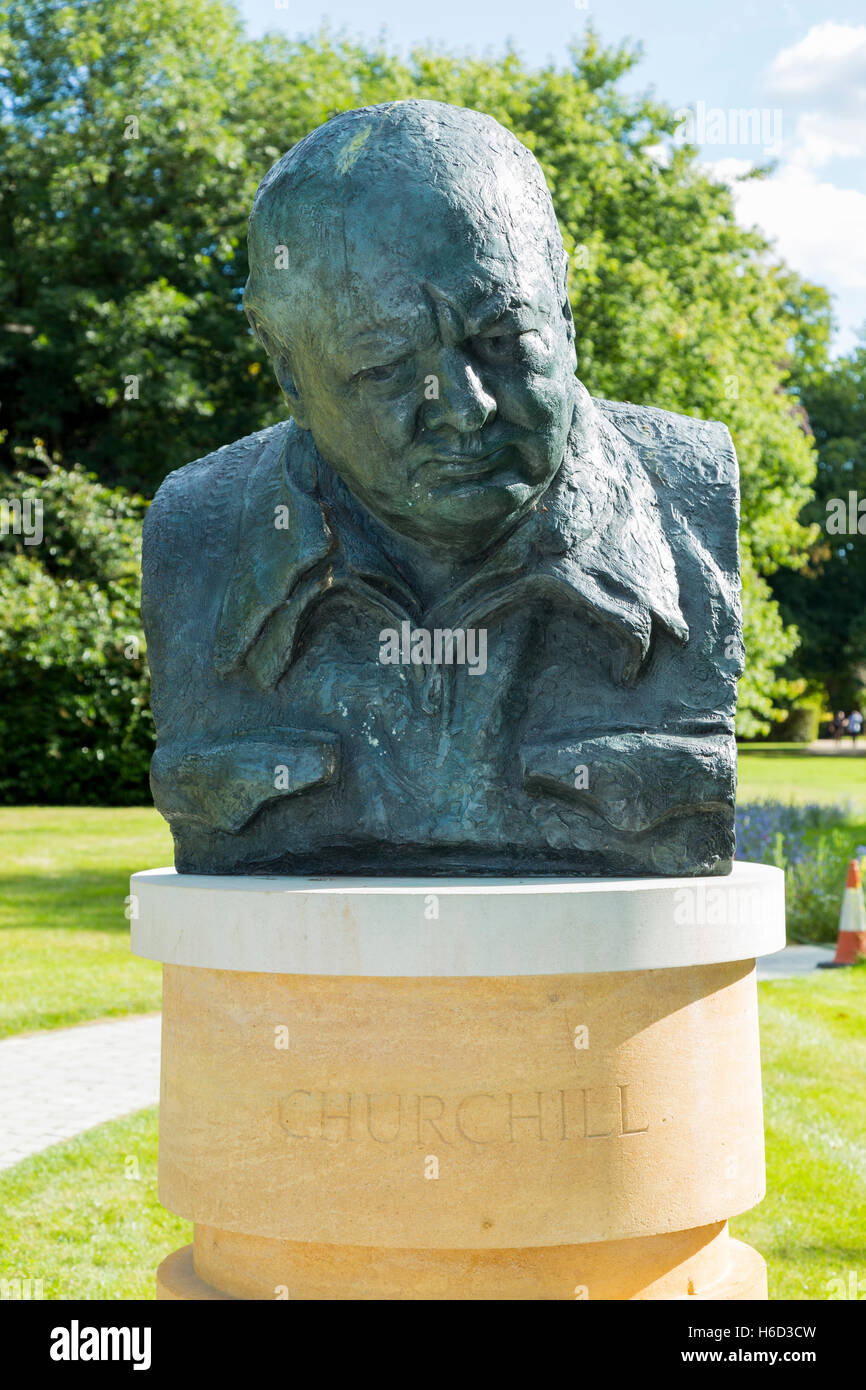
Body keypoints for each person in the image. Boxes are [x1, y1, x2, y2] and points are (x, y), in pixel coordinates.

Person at [142, 100, 742, 878]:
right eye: (386, 369)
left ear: (564, 307)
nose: (465, 409)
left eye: (503, 340)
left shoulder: (691, 492)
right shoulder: (197, 534)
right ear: (288, 368)